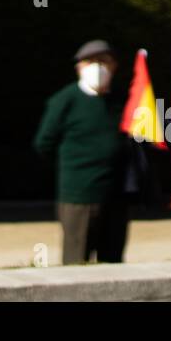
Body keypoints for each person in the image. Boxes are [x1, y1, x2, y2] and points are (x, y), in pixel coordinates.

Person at [33, 39, 130, 264]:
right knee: (76, 262)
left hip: (115, 196)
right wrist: (73, 171)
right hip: (78, 197)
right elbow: (44, 144)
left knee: (113, 263)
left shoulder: (123, 100)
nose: (98, 67)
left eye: (104, 61)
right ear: (79, 67)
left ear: (114, 66)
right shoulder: (64, 100)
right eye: (91, 62)